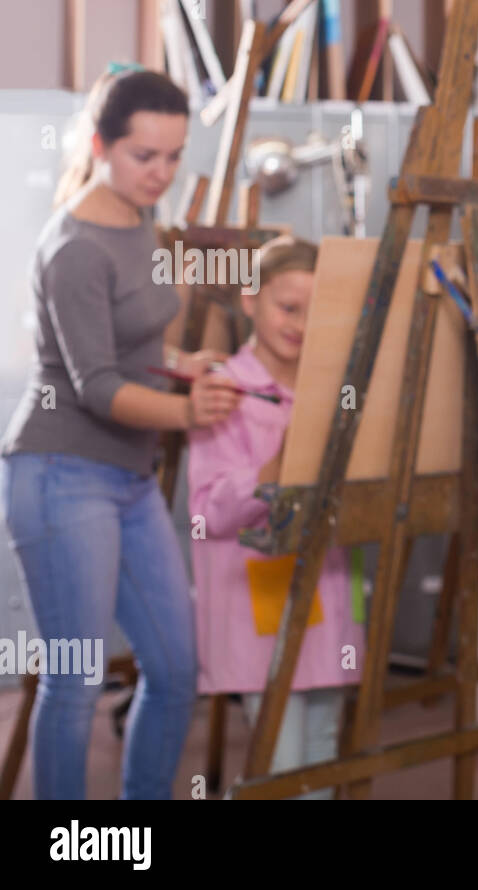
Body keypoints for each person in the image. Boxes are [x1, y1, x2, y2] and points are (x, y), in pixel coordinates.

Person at [0, 67, 241, 799]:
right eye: (145, 156)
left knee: (173, 671)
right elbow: (96, 384)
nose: (161, 173)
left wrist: (177, 365)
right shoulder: (74, 245)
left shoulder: (139, 223)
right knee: (74, 679)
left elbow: (123, 348)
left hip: (128, 481)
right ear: (102, 145)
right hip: (59, 473)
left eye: (173, 156)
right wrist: (185, 413)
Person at [187, 236, 364, 799]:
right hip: (262, 604)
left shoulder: (333, 391)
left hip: (332, 590)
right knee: (279, 762)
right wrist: (276, 470)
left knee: (323, 753)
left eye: (316, 314)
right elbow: (207, 512)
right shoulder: (223, 391)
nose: (300, 326)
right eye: (288, 308)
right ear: (250, 300)